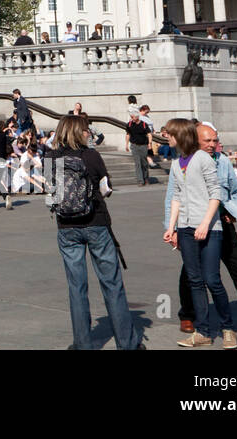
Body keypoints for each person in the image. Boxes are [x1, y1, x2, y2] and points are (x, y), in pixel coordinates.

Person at [165, 122, 237, 345]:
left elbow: (234, 192)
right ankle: (188, 315)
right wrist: (172, 227)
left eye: (215, 140)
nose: (213, 144)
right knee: (190, 275)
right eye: (207, 141)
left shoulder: (223, 161)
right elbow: (174, 196)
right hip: (192, 225)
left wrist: (234, 212)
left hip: (220, 226)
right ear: (194, 140)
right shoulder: (182, 162)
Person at [50, 113, 143, 350]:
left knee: (76, 287)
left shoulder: (52, 157)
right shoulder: (91, 155)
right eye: (86, 130)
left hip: (66, 226)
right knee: (112, 284)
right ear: (79, 132)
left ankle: (82, 344)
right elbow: (107, 188)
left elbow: (51, 191)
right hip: (96, 223)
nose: (88, 134)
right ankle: (127, 344)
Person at [163, 118, 237, 349]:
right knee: (195, 280)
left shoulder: (203, 159)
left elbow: (216, 193)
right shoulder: (177, 163)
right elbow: (176, 195)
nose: (167, 137)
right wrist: (171, 227)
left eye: (170, 134)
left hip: (209, 227)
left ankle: (227, 328)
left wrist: (206, 223)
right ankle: (203, 331)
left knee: (212, 279)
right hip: (185, 228)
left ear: (180, 136)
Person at [126, 108, 153, 186]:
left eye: (132, 117)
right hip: (134, 146)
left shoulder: (144, 124)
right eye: (131, 117)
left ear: (137, 117)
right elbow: (128, 134)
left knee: (144, 163)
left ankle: (146, 178)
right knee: (137, 163)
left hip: (143, 146)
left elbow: (149, 134)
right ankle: (140, 181)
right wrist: (126, 144)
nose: (131, 118)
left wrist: (150, 143)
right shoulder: (129, 124)